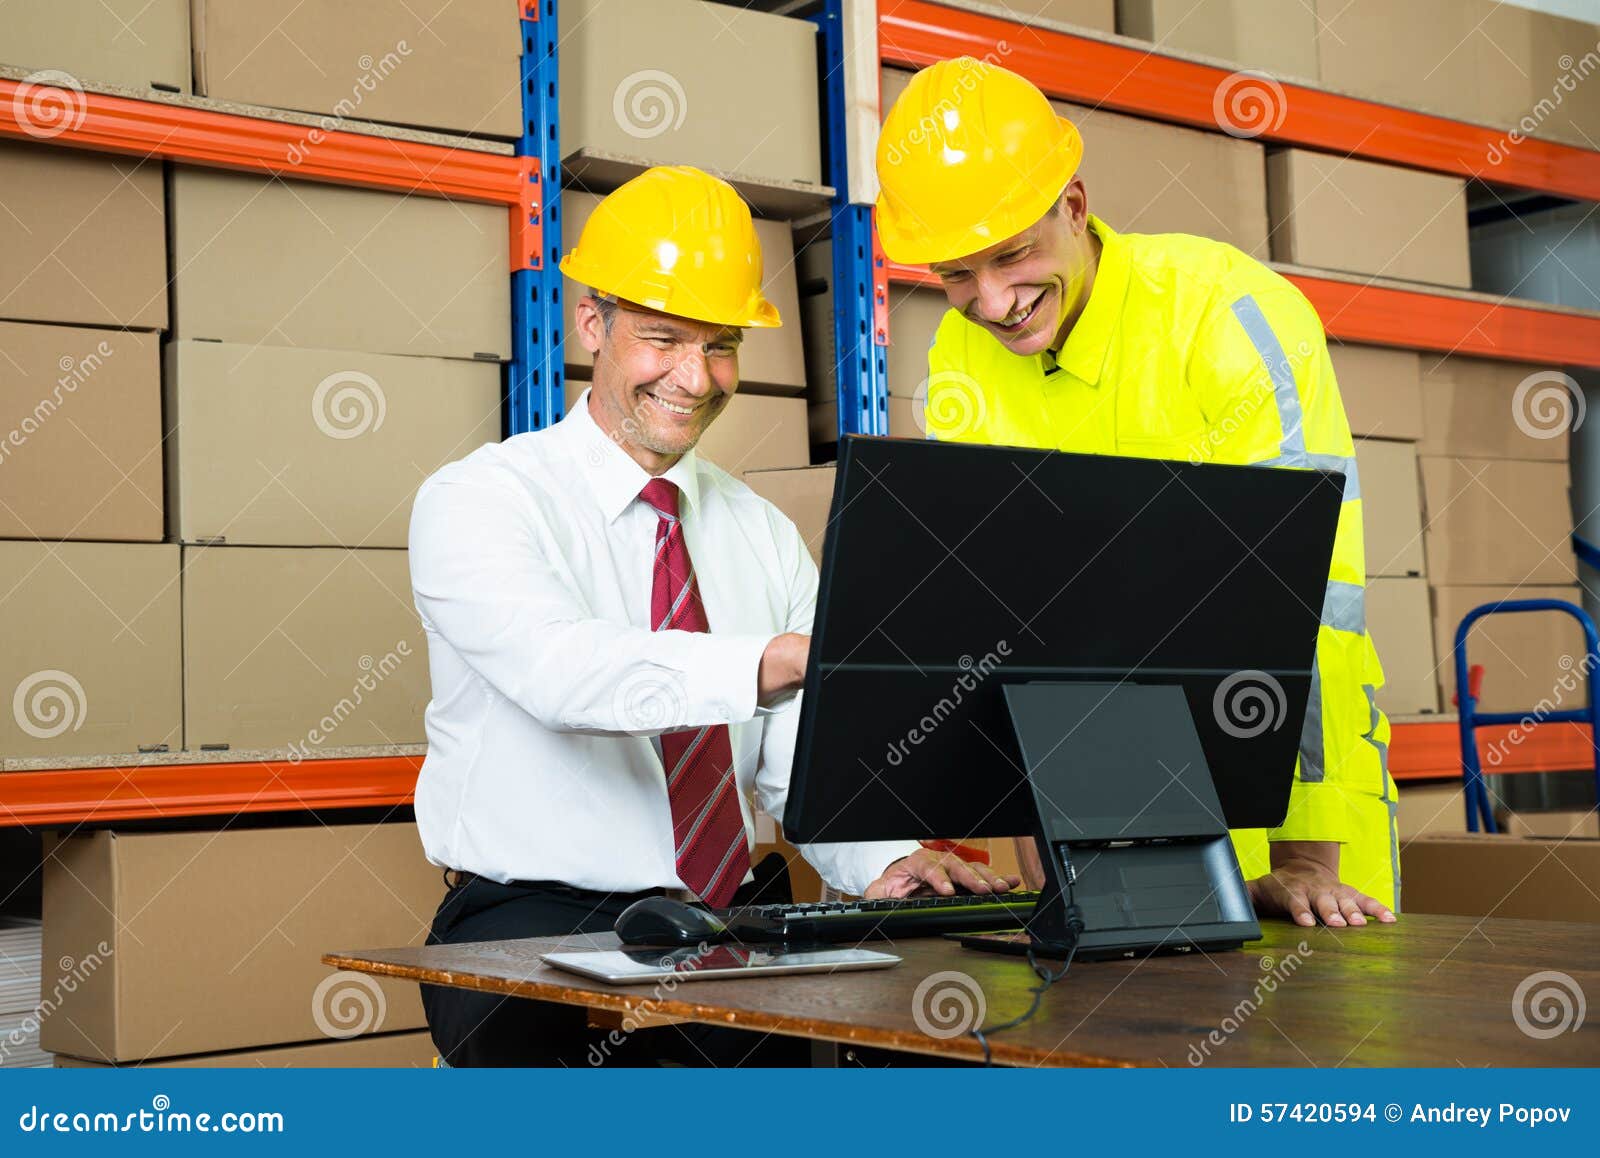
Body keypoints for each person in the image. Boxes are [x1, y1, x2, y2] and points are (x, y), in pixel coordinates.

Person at [408, 165, 1017, 1067]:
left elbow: (804, 756)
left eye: (721, 345)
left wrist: (883, 861)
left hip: (726, 911)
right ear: (591, 323)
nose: (695, 379)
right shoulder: (480, 500)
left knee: (919, 1052)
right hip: (531, 913)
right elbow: (561, 673)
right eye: (662, 339)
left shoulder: (760, 531)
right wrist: (766, 660)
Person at [876, 58, 1399, 930]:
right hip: (1097, 804)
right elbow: (1009, 612)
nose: (994, 302)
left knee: (1308, 1050)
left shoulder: (1226, 316)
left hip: (1292, 806)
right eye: (957, 274)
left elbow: (1313, 600)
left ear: (1074, 206)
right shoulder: (960, 361)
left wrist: (1304, 854)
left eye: (1012, 255)